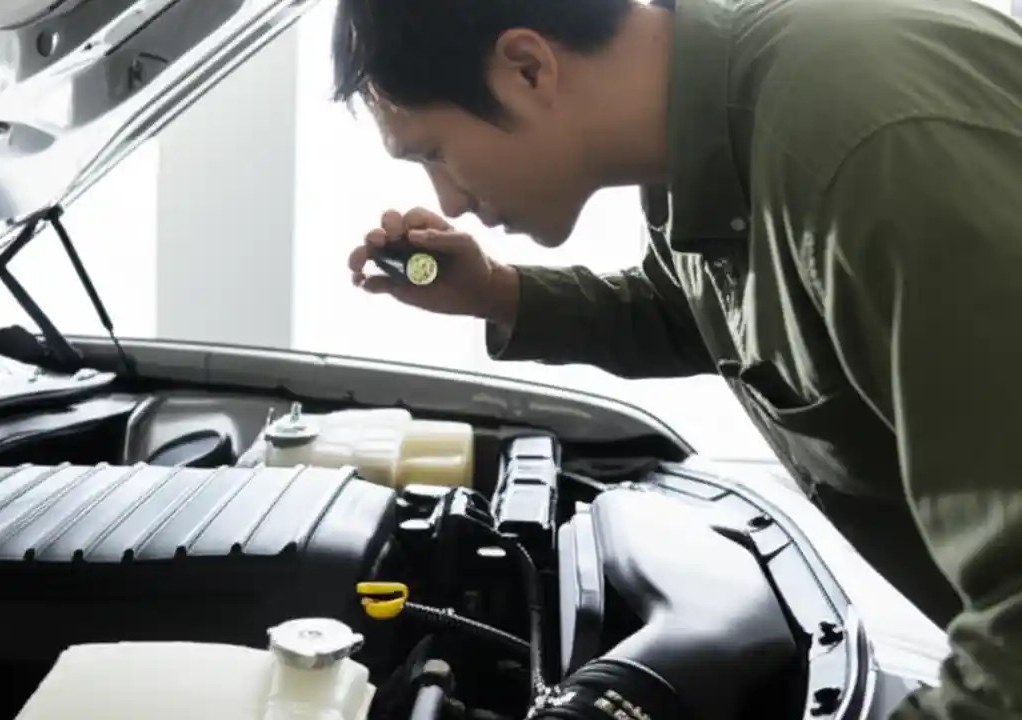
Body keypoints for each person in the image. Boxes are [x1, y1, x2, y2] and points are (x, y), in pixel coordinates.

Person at [334, 0, 1022, 716]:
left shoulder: (869, 140)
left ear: (529, 68)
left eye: (432, 152)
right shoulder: (705, 132)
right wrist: (498, 293)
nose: (448, 199)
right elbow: (712, 312)